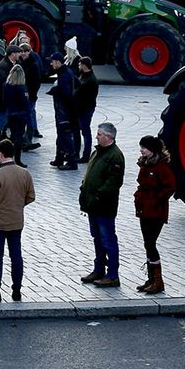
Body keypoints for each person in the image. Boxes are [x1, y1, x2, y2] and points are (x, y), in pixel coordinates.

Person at [0, 138, 34, 302]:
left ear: (1, 154)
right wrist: (18, 204)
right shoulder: (25, 173)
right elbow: (31, 196)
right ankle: (16, 290)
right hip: (16, 222)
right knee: (16, 256)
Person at [79, 122, 125, 288]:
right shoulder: (98, 152)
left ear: (108, 136)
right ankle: (99, 270)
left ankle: (112, 275)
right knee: (97, 239)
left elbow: (113, 183)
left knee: (108, 240)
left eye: (99, 134)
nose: (96, 136)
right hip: (93, 206)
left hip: (104, 207)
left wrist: (97, 197)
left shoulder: (115, 156)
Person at [133, 135, 176, 294]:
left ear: (153, 150)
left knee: (151, 244)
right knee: (147, 244)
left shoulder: (161, 167)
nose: (141, 150)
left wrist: (156, 199)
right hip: (145, 210)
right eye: (141, 147)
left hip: (155, 211)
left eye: (144, 147)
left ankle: (158, 280)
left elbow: (170, 187)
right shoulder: (145, 164)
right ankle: (152, 278)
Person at [48, 53, 77, 168]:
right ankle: (59, 158)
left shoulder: (64, 75)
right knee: (61, 135)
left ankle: (71, 162)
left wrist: (55, 90)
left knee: (65, 136)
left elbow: (66, 94)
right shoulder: (65, 72)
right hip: (63, 110)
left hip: (64, 111)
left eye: (52, 61)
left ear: (58, 62)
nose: (51, 63)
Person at [70, 56, 99, 168]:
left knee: (85, 131)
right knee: (77, 131)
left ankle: (86, 155)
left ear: (84, 66)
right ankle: (76, 153)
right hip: (80, 109)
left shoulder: (90, 80)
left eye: (79, 65)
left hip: (85, 109)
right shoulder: (84, 76)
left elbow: (83, 96)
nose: (78, 67)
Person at [2, 64, 32, 150]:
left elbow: (5, 100)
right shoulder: (22, 87)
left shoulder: (6, 86)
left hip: (10, 113)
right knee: (19, 135)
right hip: (21, 114)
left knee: (13, 133)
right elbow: (25, 103)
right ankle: (17, 157)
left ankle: (11, 153)